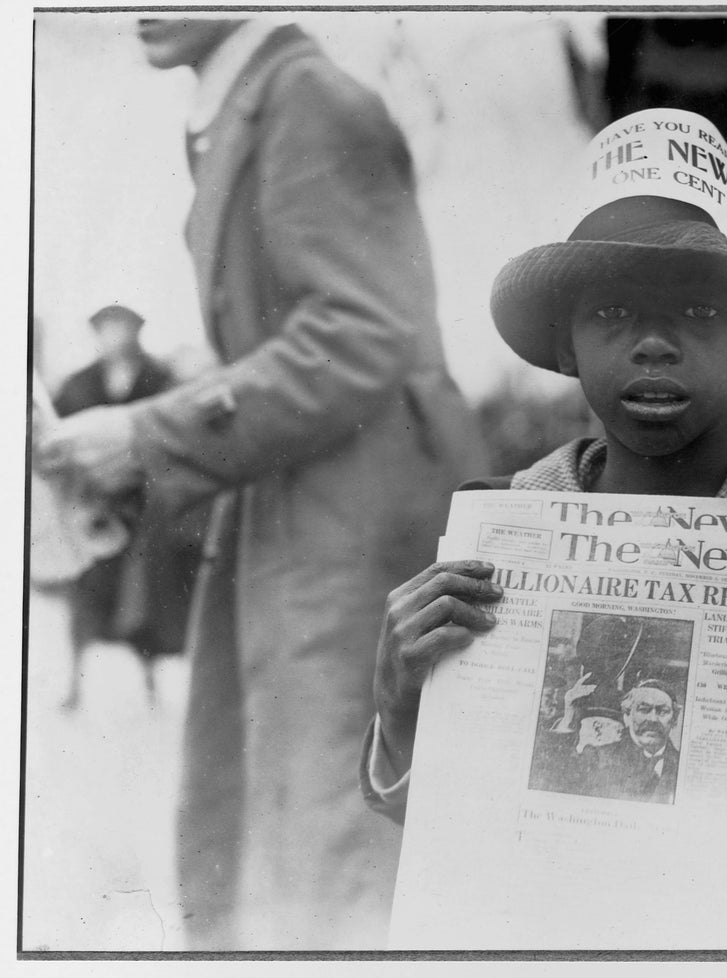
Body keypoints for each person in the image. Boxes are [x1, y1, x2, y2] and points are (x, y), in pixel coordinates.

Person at [361, 108, 727, 948]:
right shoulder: (503, 527)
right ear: (566, 348)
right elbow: (435, 813)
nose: (654, 346)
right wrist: (398, 706)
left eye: (700, 315)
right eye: (612, 316)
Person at [38, 17, 482, 950]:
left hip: (352, 522)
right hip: (307, 503)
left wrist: (147, 432)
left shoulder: (306, 98)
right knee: (275, 823)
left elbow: (363, 336)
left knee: (325, 833)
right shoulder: (251, 102)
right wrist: (131, 450)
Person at [52, 304, 203, 710]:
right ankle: (74, 685)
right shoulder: (76, 385)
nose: (114, 336)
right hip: (92, 510)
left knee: (144, 596)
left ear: (137, 332)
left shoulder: (160, 379)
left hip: (145, 510)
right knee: (86, 595)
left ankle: (150, 683)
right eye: (105, 328)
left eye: (122, 327)